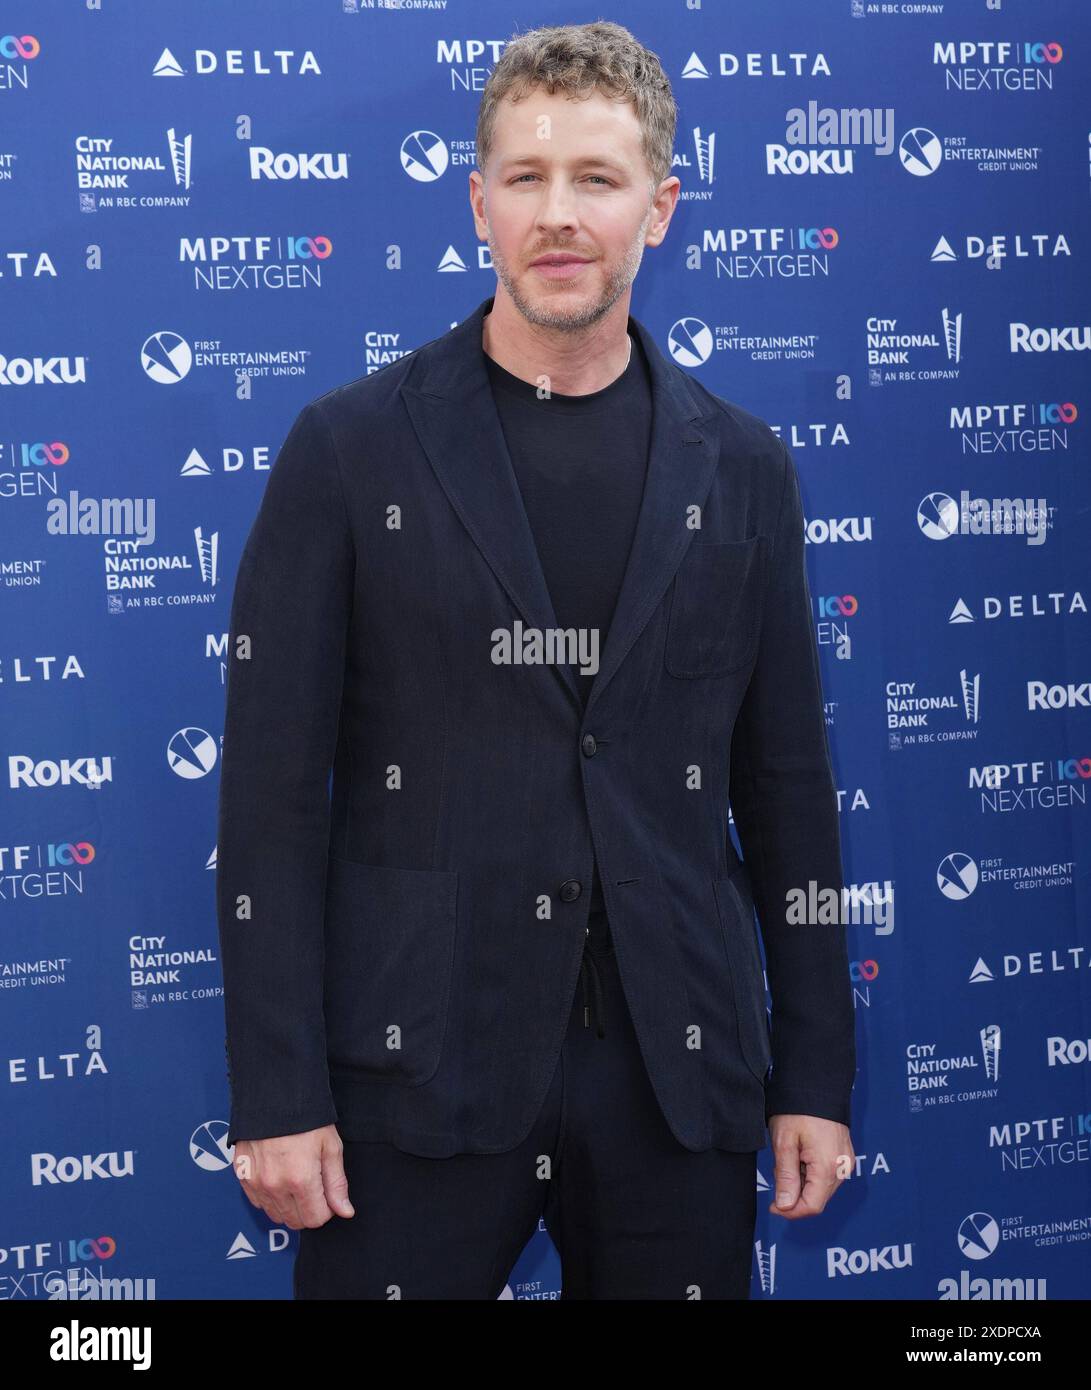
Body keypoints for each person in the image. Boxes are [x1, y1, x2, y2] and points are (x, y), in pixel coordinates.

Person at [216, 20, 856, 1300]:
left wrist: (814, 1074)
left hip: (677, 1073)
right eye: (525, 178)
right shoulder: (349, 452)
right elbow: (272, 806)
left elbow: (785, 793)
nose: (557, 216)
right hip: (413, 1074)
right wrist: (276, 1091)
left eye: (595, 180)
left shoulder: (741, 468)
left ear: (658, 209)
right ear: (478, 202)